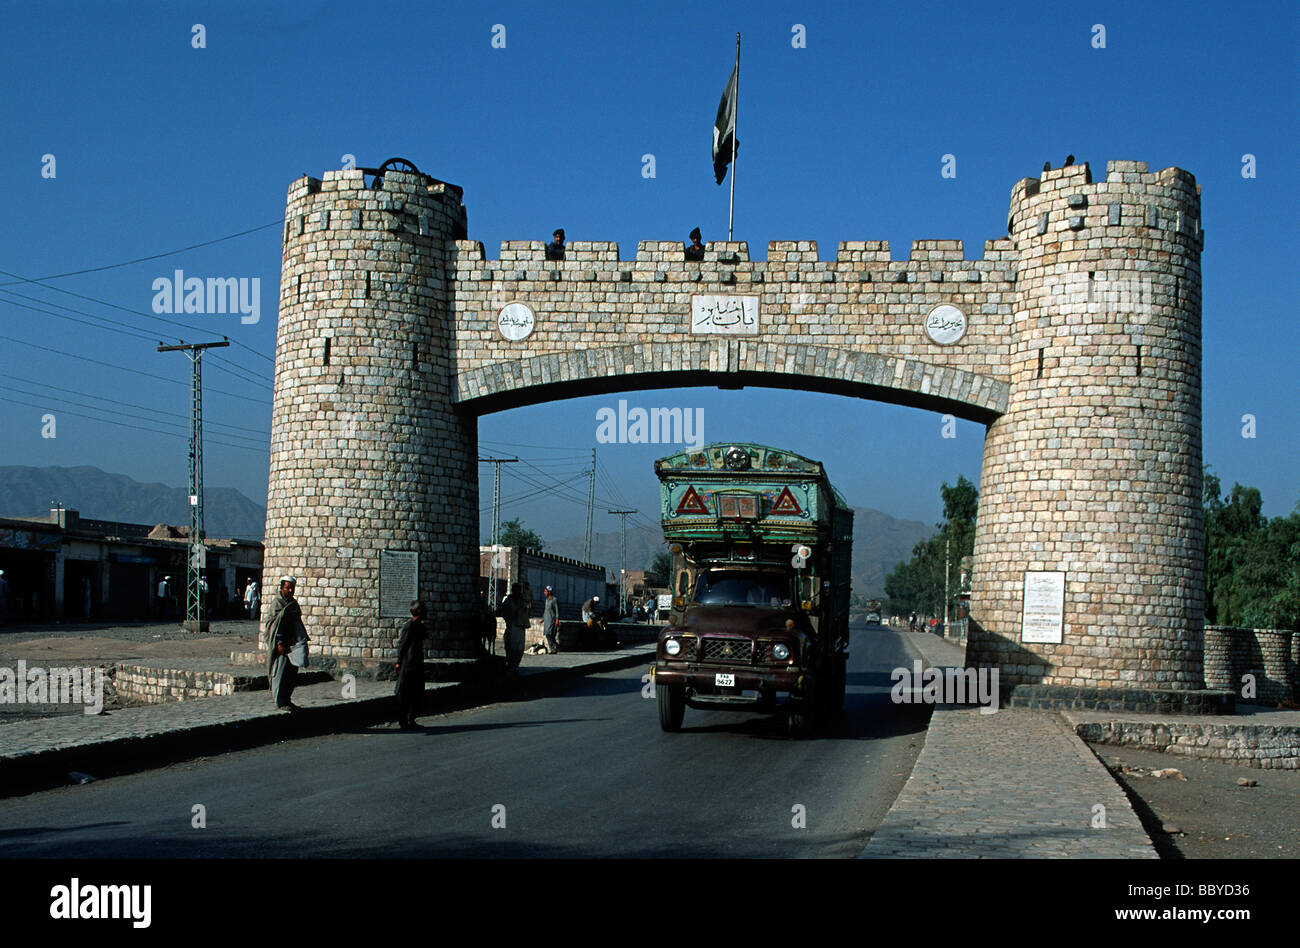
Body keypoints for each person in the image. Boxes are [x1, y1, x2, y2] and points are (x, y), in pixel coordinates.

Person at [265, 576, 309, 711]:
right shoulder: (277, 603)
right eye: (287, 588)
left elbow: (296, 622)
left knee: (291, 674)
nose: (290, 590)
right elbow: (274, 625)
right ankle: (280, 701)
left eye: (292, 588)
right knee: (280, 673)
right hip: (281, 645)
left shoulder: (293, 605)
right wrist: (279, 643)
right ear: (281, 588)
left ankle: (287, 699)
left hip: (292, 644)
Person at [394, 600, 428, 729]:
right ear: (419, 611)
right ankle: (403, 720)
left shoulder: (419, 626)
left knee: (417, 692)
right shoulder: (409, 626)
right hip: (408, 665)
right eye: (424, 609)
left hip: (417, 663)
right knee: (406, 692)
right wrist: (399, 662)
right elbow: (403, 645)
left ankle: (411, 718)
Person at [500, 582, 529, 672]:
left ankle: (515, 665)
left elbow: (528, 609)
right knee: (511, 647)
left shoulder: (522, 600)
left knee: (519, 649)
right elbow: (503, 611)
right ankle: (511, 665)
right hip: (512, 626)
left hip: (520, 627)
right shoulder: (509, 600)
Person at [541, 585, 560, 654]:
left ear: (549, 592)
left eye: (545, 591)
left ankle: (553, 648)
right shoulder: (547, 600)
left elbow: (557, 610)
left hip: (552, 619)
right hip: (546, 619)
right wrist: (543, 618)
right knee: (547, 634)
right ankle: (554, 647)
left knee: (550, 634)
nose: (544, 593)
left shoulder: (554, 600)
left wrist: (557, 619)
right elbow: (546, 610)